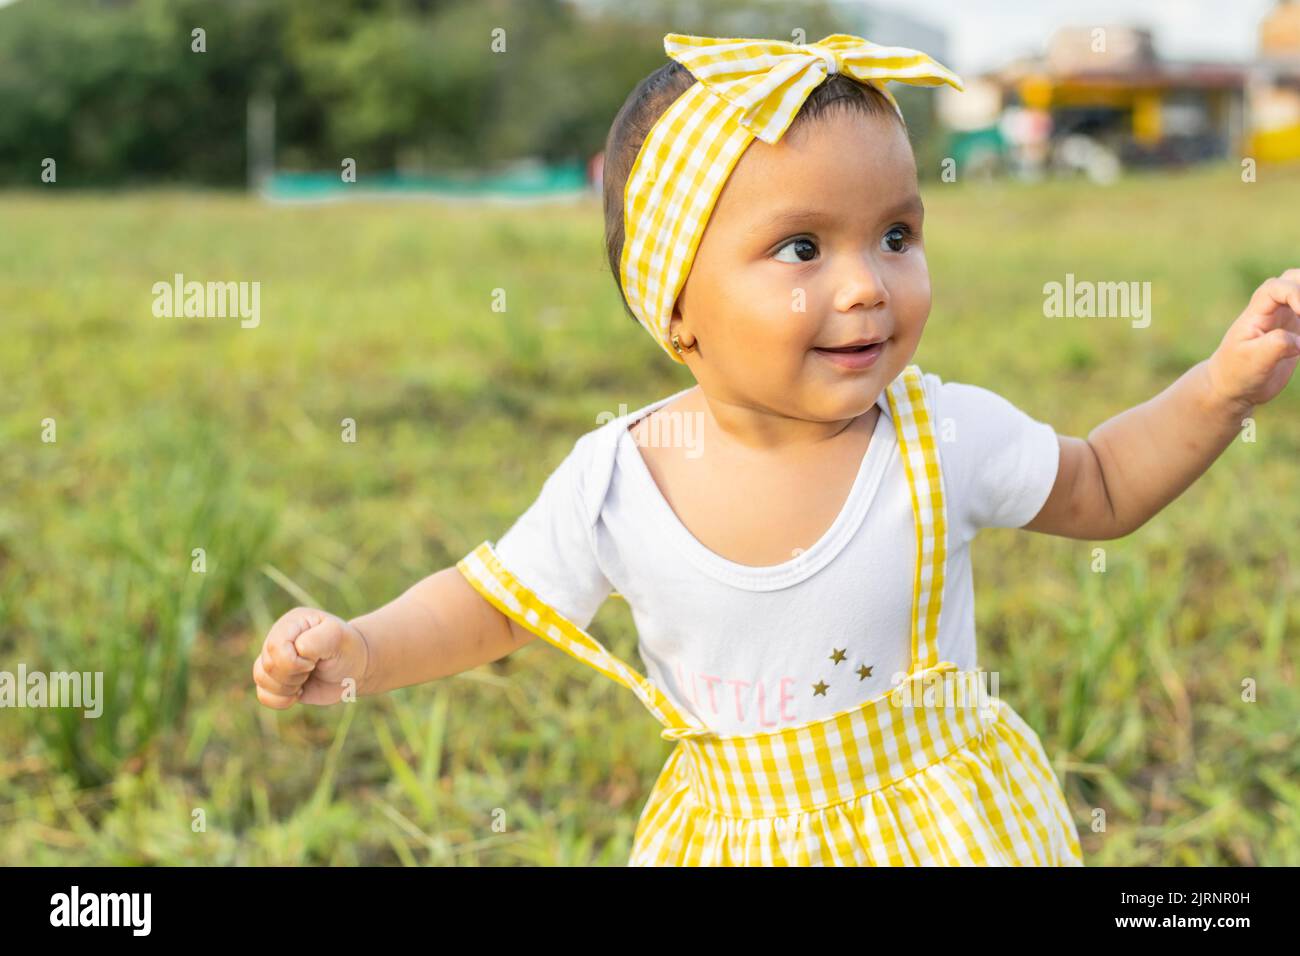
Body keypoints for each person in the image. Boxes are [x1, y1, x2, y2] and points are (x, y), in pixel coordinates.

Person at [252, 32, 1300, 866]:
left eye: (896, 234)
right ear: (675, 305)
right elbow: (491, 601)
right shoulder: (623, 475)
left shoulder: (940, 434)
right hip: (734, 838)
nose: (865, 283)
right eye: (801, 247)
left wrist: (1217, 388)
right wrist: (367, 647)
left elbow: (1105, 482)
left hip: (950, 827)